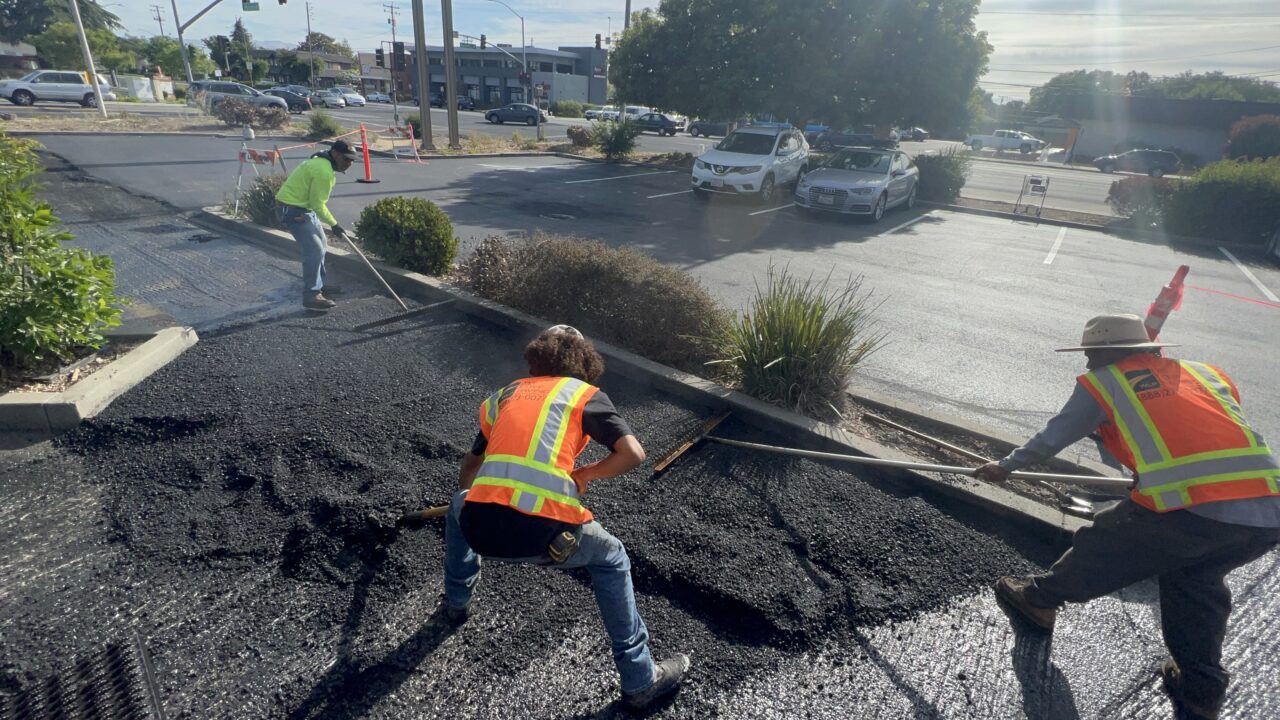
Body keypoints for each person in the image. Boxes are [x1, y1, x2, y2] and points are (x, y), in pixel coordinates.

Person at [977, 314, 1280, 720]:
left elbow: (1055, 436)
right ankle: (1201, 690)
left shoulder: (1106, 383)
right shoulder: (1204, 373)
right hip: (1267, 511)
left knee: (1105, 546)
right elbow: (1202, 430)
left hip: (1193, 509)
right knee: (1195, 582)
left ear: (1108, 352)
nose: (1086, 364)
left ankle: (1037, 599)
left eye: (1090, 354)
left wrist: (1006, 466)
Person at [442, 325, 689, 711]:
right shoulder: (584, 395)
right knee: (612, 558)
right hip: (544, 536)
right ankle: (641, 679)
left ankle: (456, 602)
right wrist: (585, 474)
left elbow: (472, 462)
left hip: (480, 529)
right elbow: (634, 455)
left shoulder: (506, 394)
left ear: (536, 357)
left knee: (459, 506)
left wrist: (473, 499)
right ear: (584, 361)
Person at [274, 139, 356, 310]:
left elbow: (314, 204)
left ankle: (319, 284)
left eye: (351, 160)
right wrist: (335, 225)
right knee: (314, 250)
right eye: (346, 159)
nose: (349, 163)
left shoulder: (322, 162)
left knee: (322, 245)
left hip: (304, 208)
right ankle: (311, 295)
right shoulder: (323, 171)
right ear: (335, 154)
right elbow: (318, 203)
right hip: (293, 210)